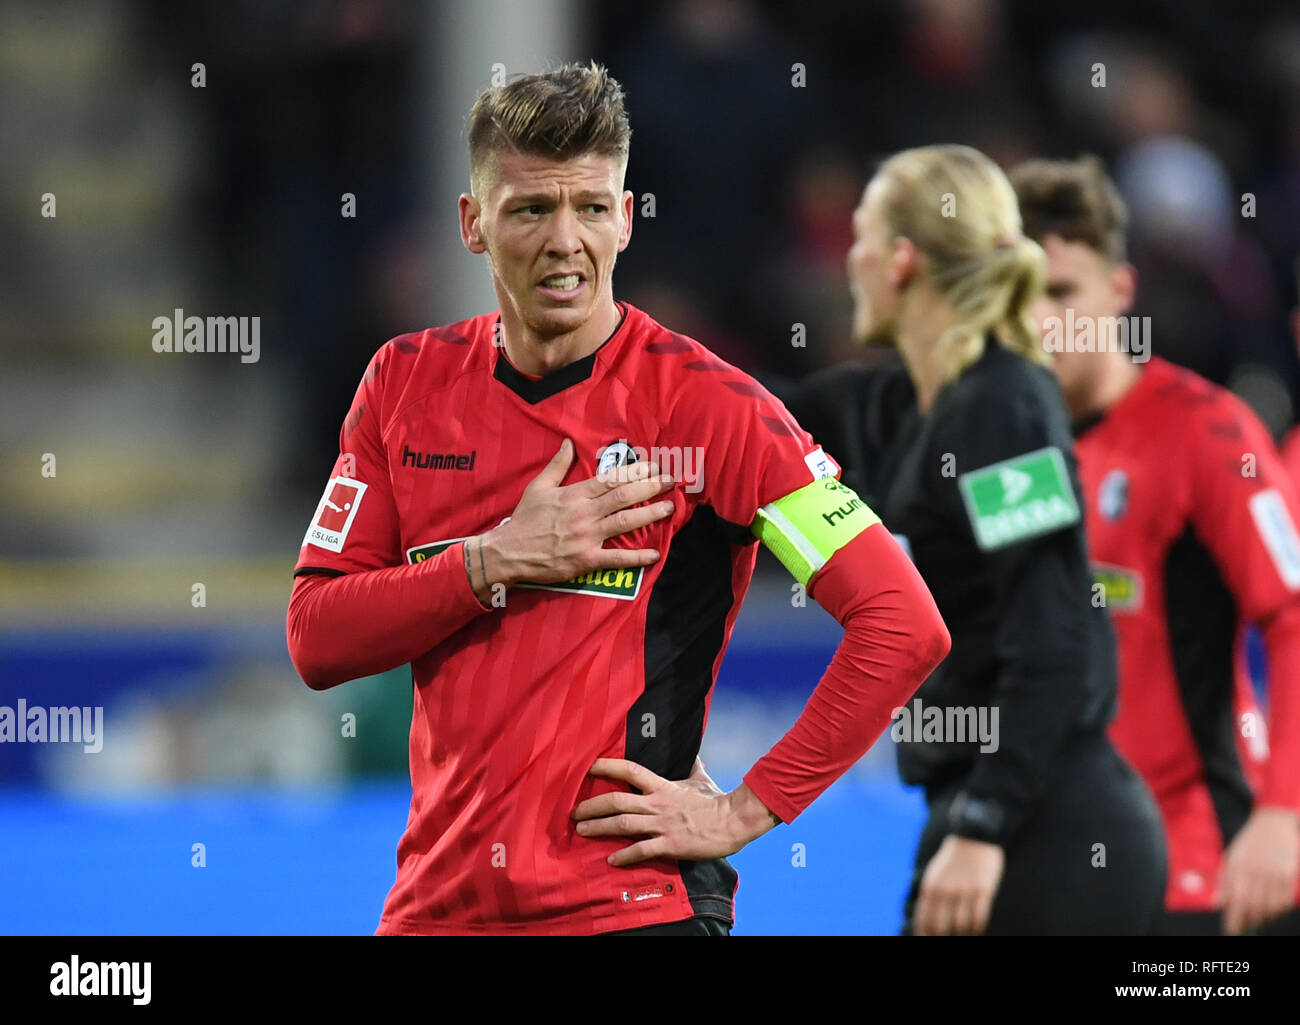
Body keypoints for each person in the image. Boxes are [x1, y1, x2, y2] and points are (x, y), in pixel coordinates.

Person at [284, 62, 950, 936]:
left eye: (591, 207)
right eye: (531, 209)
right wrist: (494, 560)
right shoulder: (403, 382)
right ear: (473, 223)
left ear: (626, 220)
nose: (566, 239)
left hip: (630, 908)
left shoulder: (713, 409)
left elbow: (903, 624)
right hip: (438, 910)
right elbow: (316, 636)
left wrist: (747, 810)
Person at [772, 144, 1166, 935]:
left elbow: (1055, 637)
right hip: (973, 809)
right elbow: (744, 414)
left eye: (863, 236)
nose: (849, 259)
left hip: (1049, 827)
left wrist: (985, 823)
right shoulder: (901, 406)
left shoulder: (1006, 407)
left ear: (904, 260)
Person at [1011, 155, 1300, 936]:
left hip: (1199, 875)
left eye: (1064, 291)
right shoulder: (999, 454)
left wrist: (1285, 813)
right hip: (1049, 873)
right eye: (1022, 294)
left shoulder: (1207, 435)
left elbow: (1294, 616)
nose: (1044, 321)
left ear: (1121, 290)